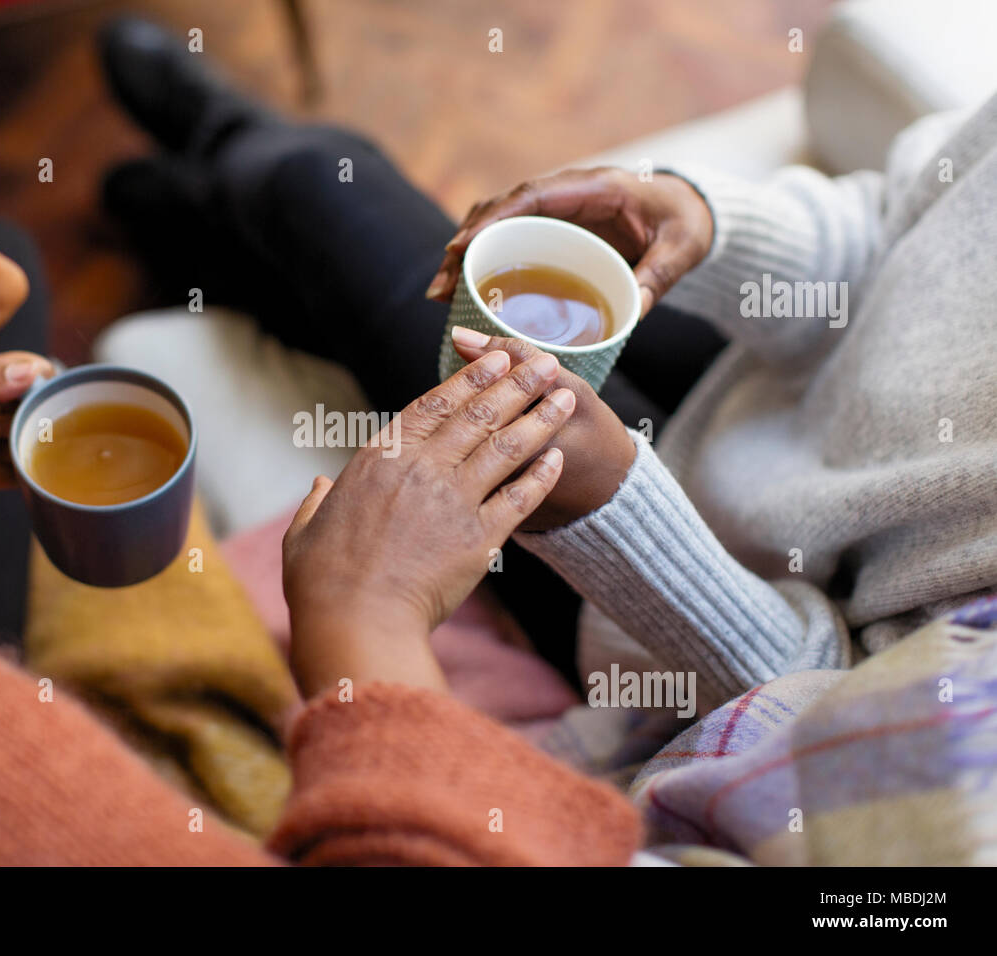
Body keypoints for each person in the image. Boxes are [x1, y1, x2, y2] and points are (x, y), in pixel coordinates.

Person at [0, 0, 640, 865]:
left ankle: (181, 206)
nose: (4, 288)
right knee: (304, 193)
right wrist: (369, 625)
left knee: (37, 249)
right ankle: (199, 192)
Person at [97, 18, 997, 719]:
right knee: (330, 204)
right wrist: (710, 224)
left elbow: (821, 726)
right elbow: (892, 225)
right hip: (763, 376)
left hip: (664, 598)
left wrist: (611, 510)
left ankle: (212, 188)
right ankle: (209, 220)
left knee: (314, 190)